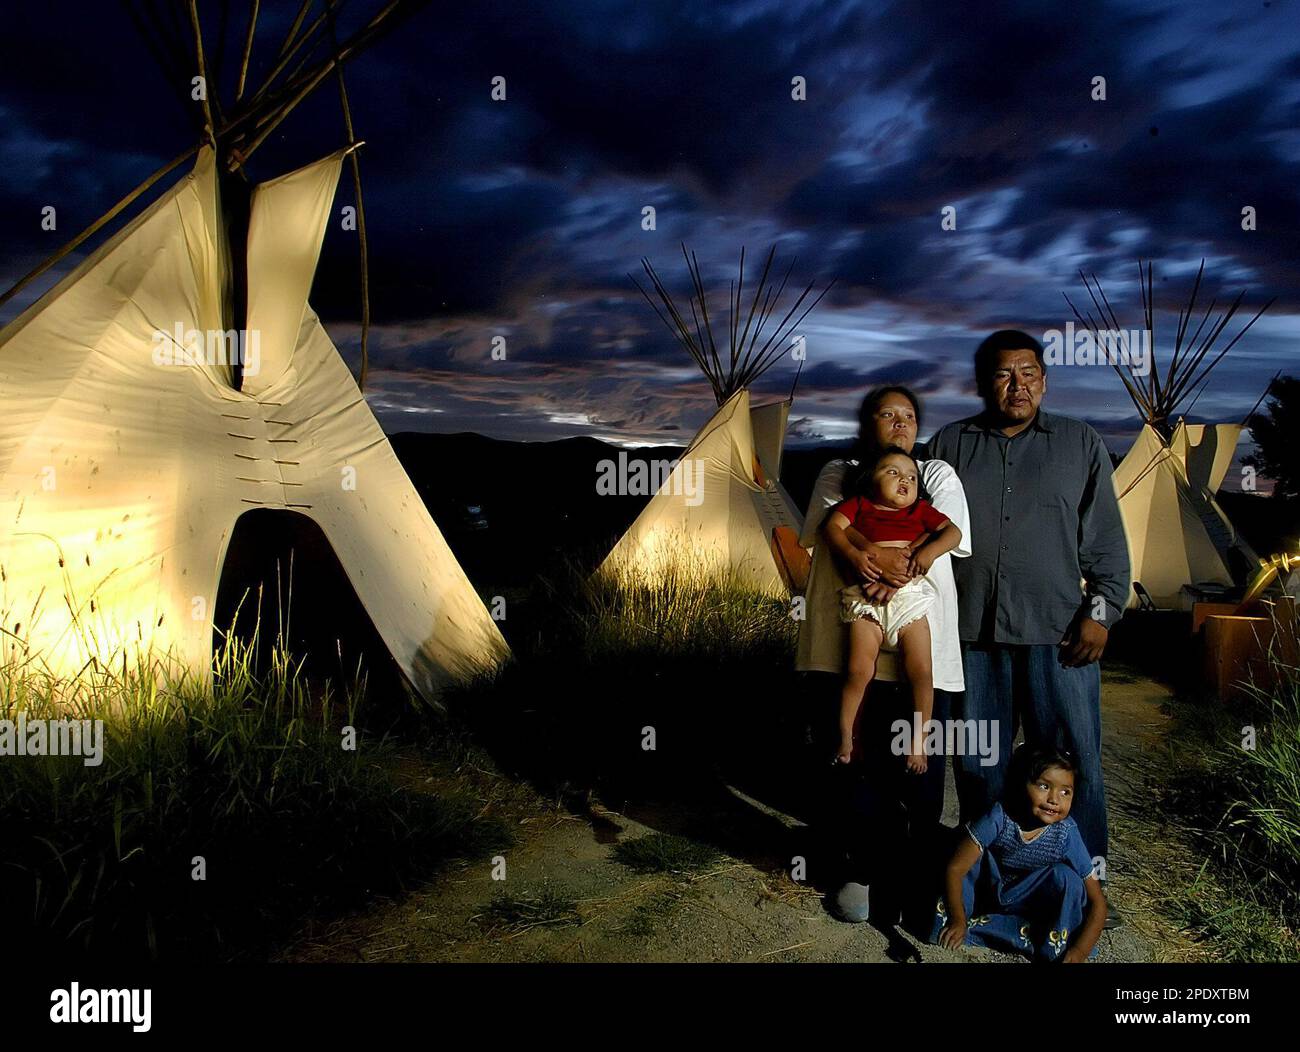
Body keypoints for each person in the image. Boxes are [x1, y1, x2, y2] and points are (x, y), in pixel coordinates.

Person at [925, 330, 1130, 926]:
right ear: (983, 381)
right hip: (972, 636)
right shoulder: (950, 444)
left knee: (1073, 761)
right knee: (979, 762)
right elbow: (916, 521)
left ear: (1045, 377)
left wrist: (1102, 613)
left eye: (1029, 372)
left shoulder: (1079, 443)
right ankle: (987, 885)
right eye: (1003, 374)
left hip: (1058, 635)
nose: (1018, 385)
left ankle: (1083, 891)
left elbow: (1106, 544)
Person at [797, 386, 971, 924]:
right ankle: (860, 871)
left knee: (919, 771)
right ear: (866, 422)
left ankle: (916, 878)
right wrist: (873, 559)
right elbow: (832, 534)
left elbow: (951, 537)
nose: (900, 423)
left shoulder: (935, 476)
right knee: (856, 766)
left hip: (921, 636)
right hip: (849, 637)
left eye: (910, 415)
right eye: (887, 414)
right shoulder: (840, 473)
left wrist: (905, 564)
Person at [822, 446, 963, 771]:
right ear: (871, 479)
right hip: (865, 600)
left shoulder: (921, 511)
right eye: (893, 472)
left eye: (912, 476)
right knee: (858, 671)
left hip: (909, 601)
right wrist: (855, 554)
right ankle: (846, 738)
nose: (905, 480)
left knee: (921, 672)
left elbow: (952, 533)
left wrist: (928, 554)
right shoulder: (859, 505)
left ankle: (919, 744)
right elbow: (833, 528)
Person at [931, 744, 1107, 962]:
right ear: (1021, 784)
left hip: (1026, 900)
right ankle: (965, 925)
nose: (1054, 799)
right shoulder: (1000, 816)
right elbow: (956, 868)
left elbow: (1098, 902)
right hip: (988, 891)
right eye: (1044, 786)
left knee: (1068, 879)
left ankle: (1040, 941)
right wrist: (957, 919)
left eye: (1065, 792)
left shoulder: (1066, 833)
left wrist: (1080, 951)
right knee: (969, 859)